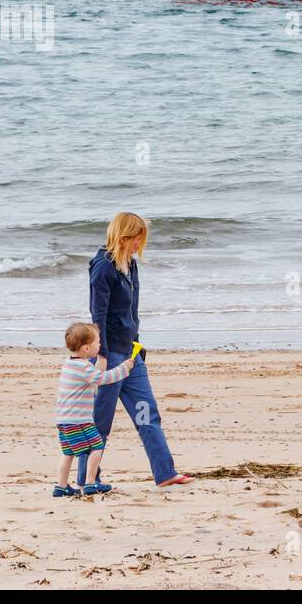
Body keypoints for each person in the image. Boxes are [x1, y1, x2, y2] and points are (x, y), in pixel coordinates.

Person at [84, 212, 194, 488]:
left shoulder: (130, 266)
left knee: (147, 413)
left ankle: (165, 472)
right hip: (109, 357)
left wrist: (137, 345)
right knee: (101, 423)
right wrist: (102, 355)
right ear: (123, 237)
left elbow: (131, 312)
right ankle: (88, 479)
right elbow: (98, 314)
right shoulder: (102, 268)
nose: (139, 245)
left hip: (131, 355)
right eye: (137, 239)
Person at [54, 322, 135, 497]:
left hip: (63, 420)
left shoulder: (70, 364)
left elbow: (92, 376)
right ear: (85, 348)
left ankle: (60, 487)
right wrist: (124, 368)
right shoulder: (83, 367)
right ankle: (90, 483)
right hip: (79, 420)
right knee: (97, 447)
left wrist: (100, 360)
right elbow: (102, 378)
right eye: (98, 342)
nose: (100, 345)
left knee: (68, 453)